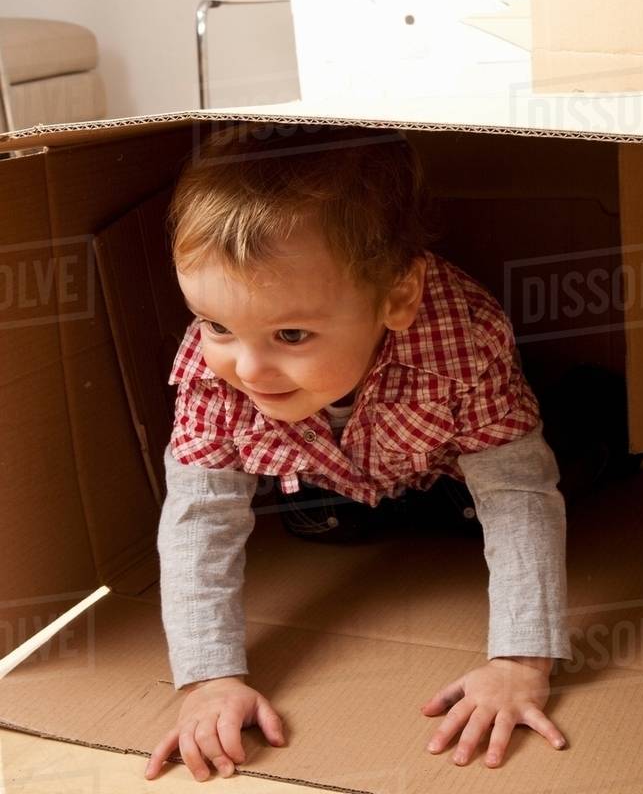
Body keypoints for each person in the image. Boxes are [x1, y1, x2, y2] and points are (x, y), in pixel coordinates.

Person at [144, 123, 571, 781]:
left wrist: (520, 660)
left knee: (565, 457)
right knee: (322, 525)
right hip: (332, 477)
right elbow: (198, 520)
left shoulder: (464, 339)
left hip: (449, 466)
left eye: (290, 333)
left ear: (397, 298)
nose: (248, 366)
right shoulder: (213, 367)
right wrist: (208, 679)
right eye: (217, 323)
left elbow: (517, 495)